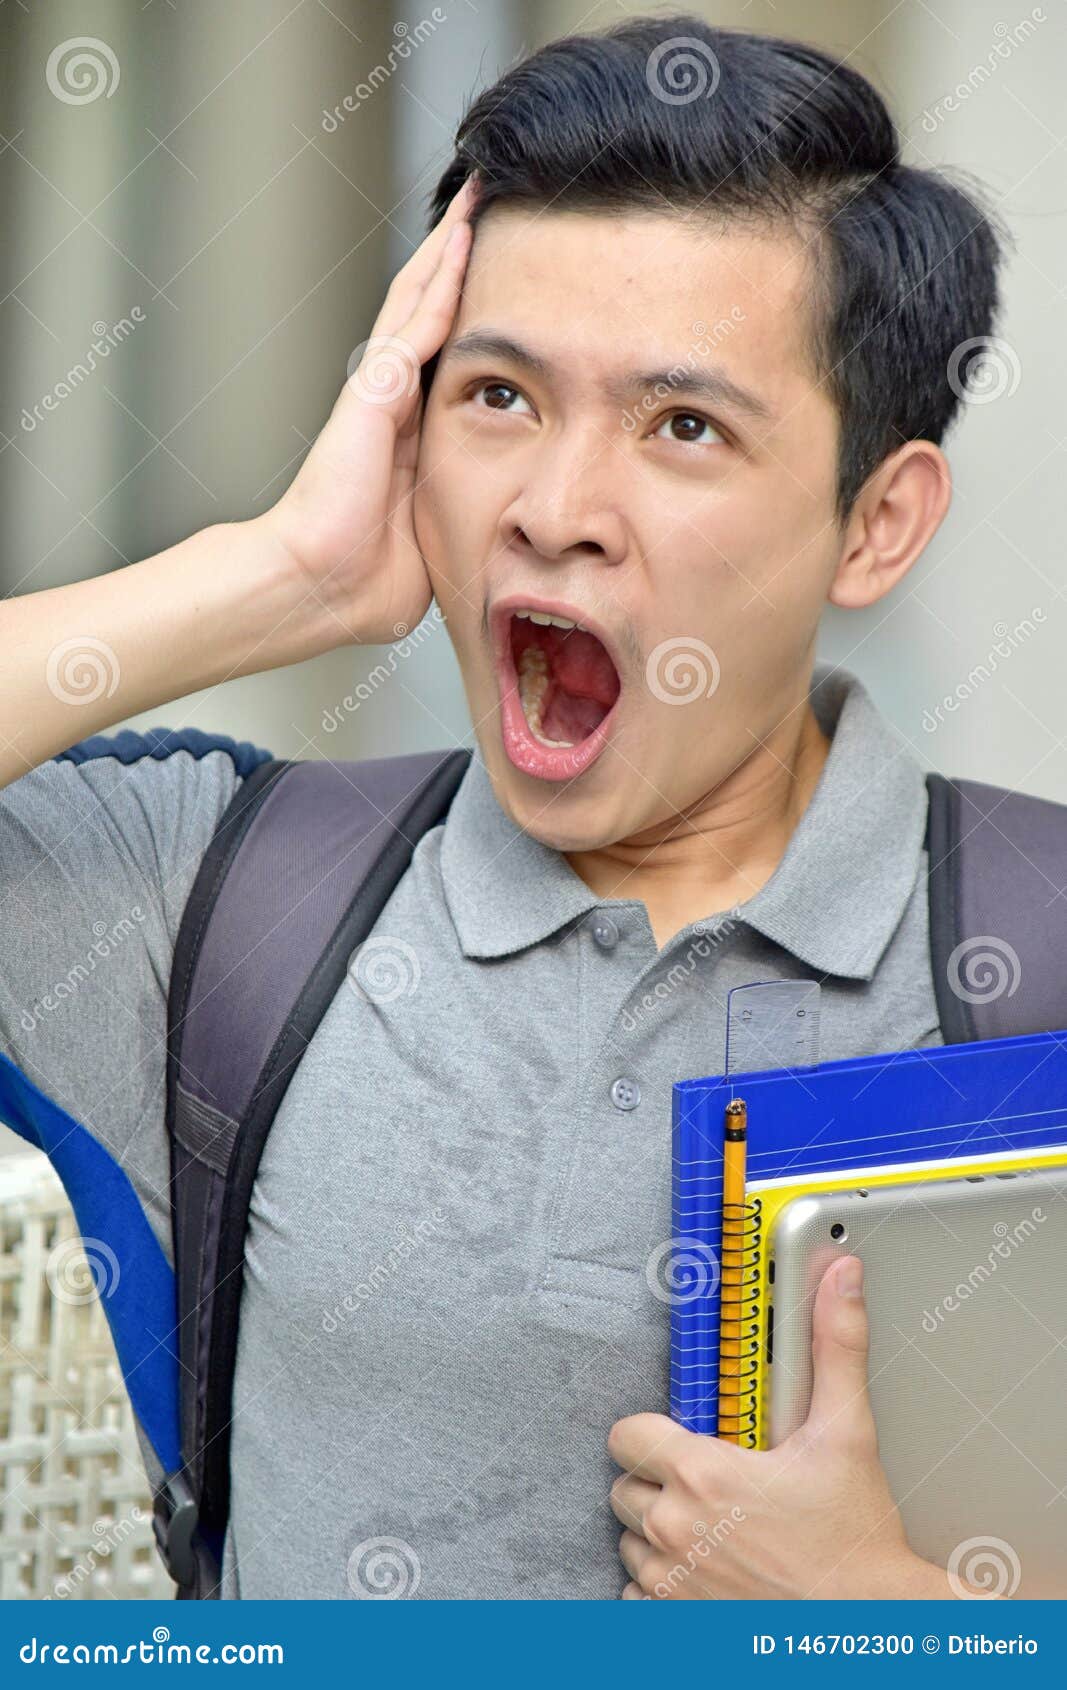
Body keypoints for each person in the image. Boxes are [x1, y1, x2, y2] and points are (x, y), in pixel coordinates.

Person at [0, 14, 1005, 1599]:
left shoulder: (1032, 948)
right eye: (498, 398)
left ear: (876, 524)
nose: (553, 510)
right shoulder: (223, 902)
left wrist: (900, 1623)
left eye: (683, 425)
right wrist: (280, 575)